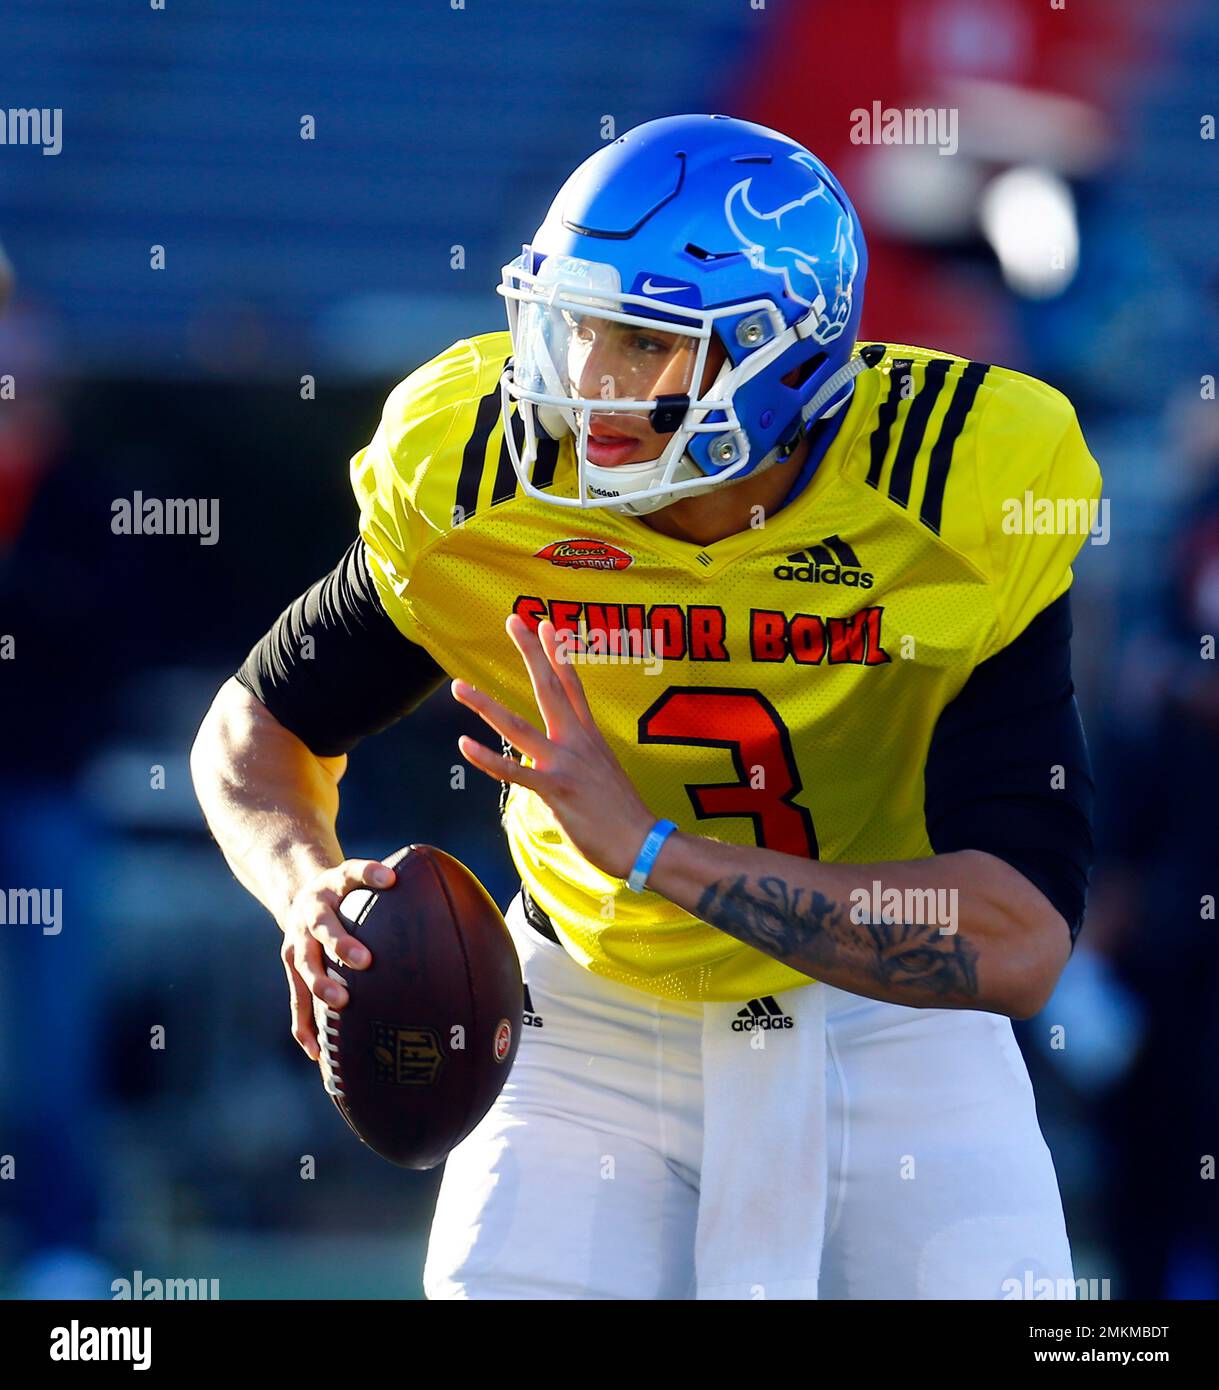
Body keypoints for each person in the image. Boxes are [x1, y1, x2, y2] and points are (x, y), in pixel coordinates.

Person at [192, 114, 1101, 1300]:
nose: (589, 389)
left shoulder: (958, 484)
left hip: (888, 1030)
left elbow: (1018, 937)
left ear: (779, 356)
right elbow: (258, 730)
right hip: (582, 1023)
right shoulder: (473, 477)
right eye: (570, 332)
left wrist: (657, 850)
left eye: (644, 345)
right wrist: (302, 885)